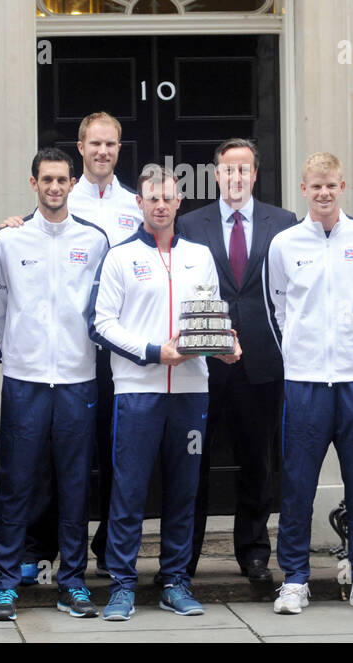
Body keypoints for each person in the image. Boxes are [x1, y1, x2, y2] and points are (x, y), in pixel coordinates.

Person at [88, 163, 241, 621]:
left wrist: (226, 344)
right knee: (129, 490)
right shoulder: (118, 257)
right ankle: (121, 584)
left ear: (179, 202)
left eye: (167, 197)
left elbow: (211, 318)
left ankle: (176, 580)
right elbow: (101, 324)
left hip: (192, 390)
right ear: (139, 203)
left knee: (184, 489)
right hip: (138, 391)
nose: (159, 204)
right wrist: (156, 352)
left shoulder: (199, 255)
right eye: (151, 197)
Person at [0, 112, 142, 578]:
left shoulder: (134, 206)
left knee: (106, 451)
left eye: (111, 144)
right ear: (81, 148)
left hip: (117, 351)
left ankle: (102, 546)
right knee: (44, 456)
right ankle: (39, 547)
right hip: (63, 353)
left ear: (119, 148)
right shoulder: (59, 193)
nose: (103, 151)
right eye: (95, 143)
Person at [0, 147, 111, 621]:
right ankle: (4, 584)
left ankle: (72, 581)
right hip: (26, 380)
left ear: (73, 183)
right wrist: (12, 351)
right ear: (33, 184)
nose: (55, 187)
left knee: (76, 483)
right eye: (47, 180)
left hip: (79, 380)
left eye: (62, 180)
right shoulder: (8, 241)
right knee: (16, 481)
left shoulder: (95, 240)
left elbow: (102, 308)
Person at [263, 152, 353, 616]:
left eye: (331, 185)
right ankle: (294, 579)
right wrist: (299, 354)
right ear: (303, 189)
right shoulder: (284, 244)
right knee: (298, 483)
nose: (323, 193)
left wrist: (352, 349)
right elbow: (277, 309)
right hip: (305, 382)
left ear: (342, 186)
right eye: (315, 186)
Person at [175, 137, 296, 583]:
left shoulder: (282, 222)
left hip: (262, 362)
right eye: (228, 170)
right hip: (203, 362)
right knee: (194, 461)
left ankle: (254, 552)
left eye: (244, 170)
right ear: (216, 175)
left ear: (255, 175)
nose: (236, 177)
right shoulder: (191, 224)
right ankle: (183, 558)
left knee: (257, 461)